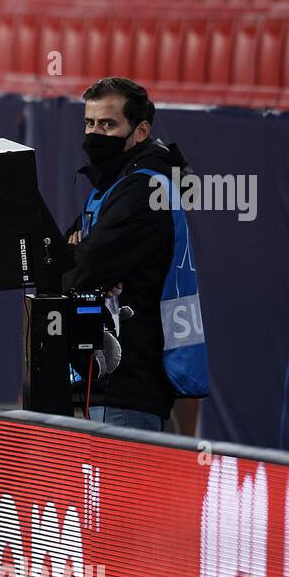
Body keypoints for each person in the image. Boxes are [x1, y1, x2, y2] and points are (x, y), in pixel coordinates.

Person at [63, 76, 189, 432]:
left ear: (141, 130)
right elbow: (63, 262)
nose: (95, 134)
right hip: (96, 389)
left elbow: (81, 269)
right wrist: (78, 261)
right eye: (89, 123)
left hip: (127, 392)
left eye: (108, 124)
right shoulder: (110, 188)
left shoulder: (146, 190)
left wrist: (81, 260)